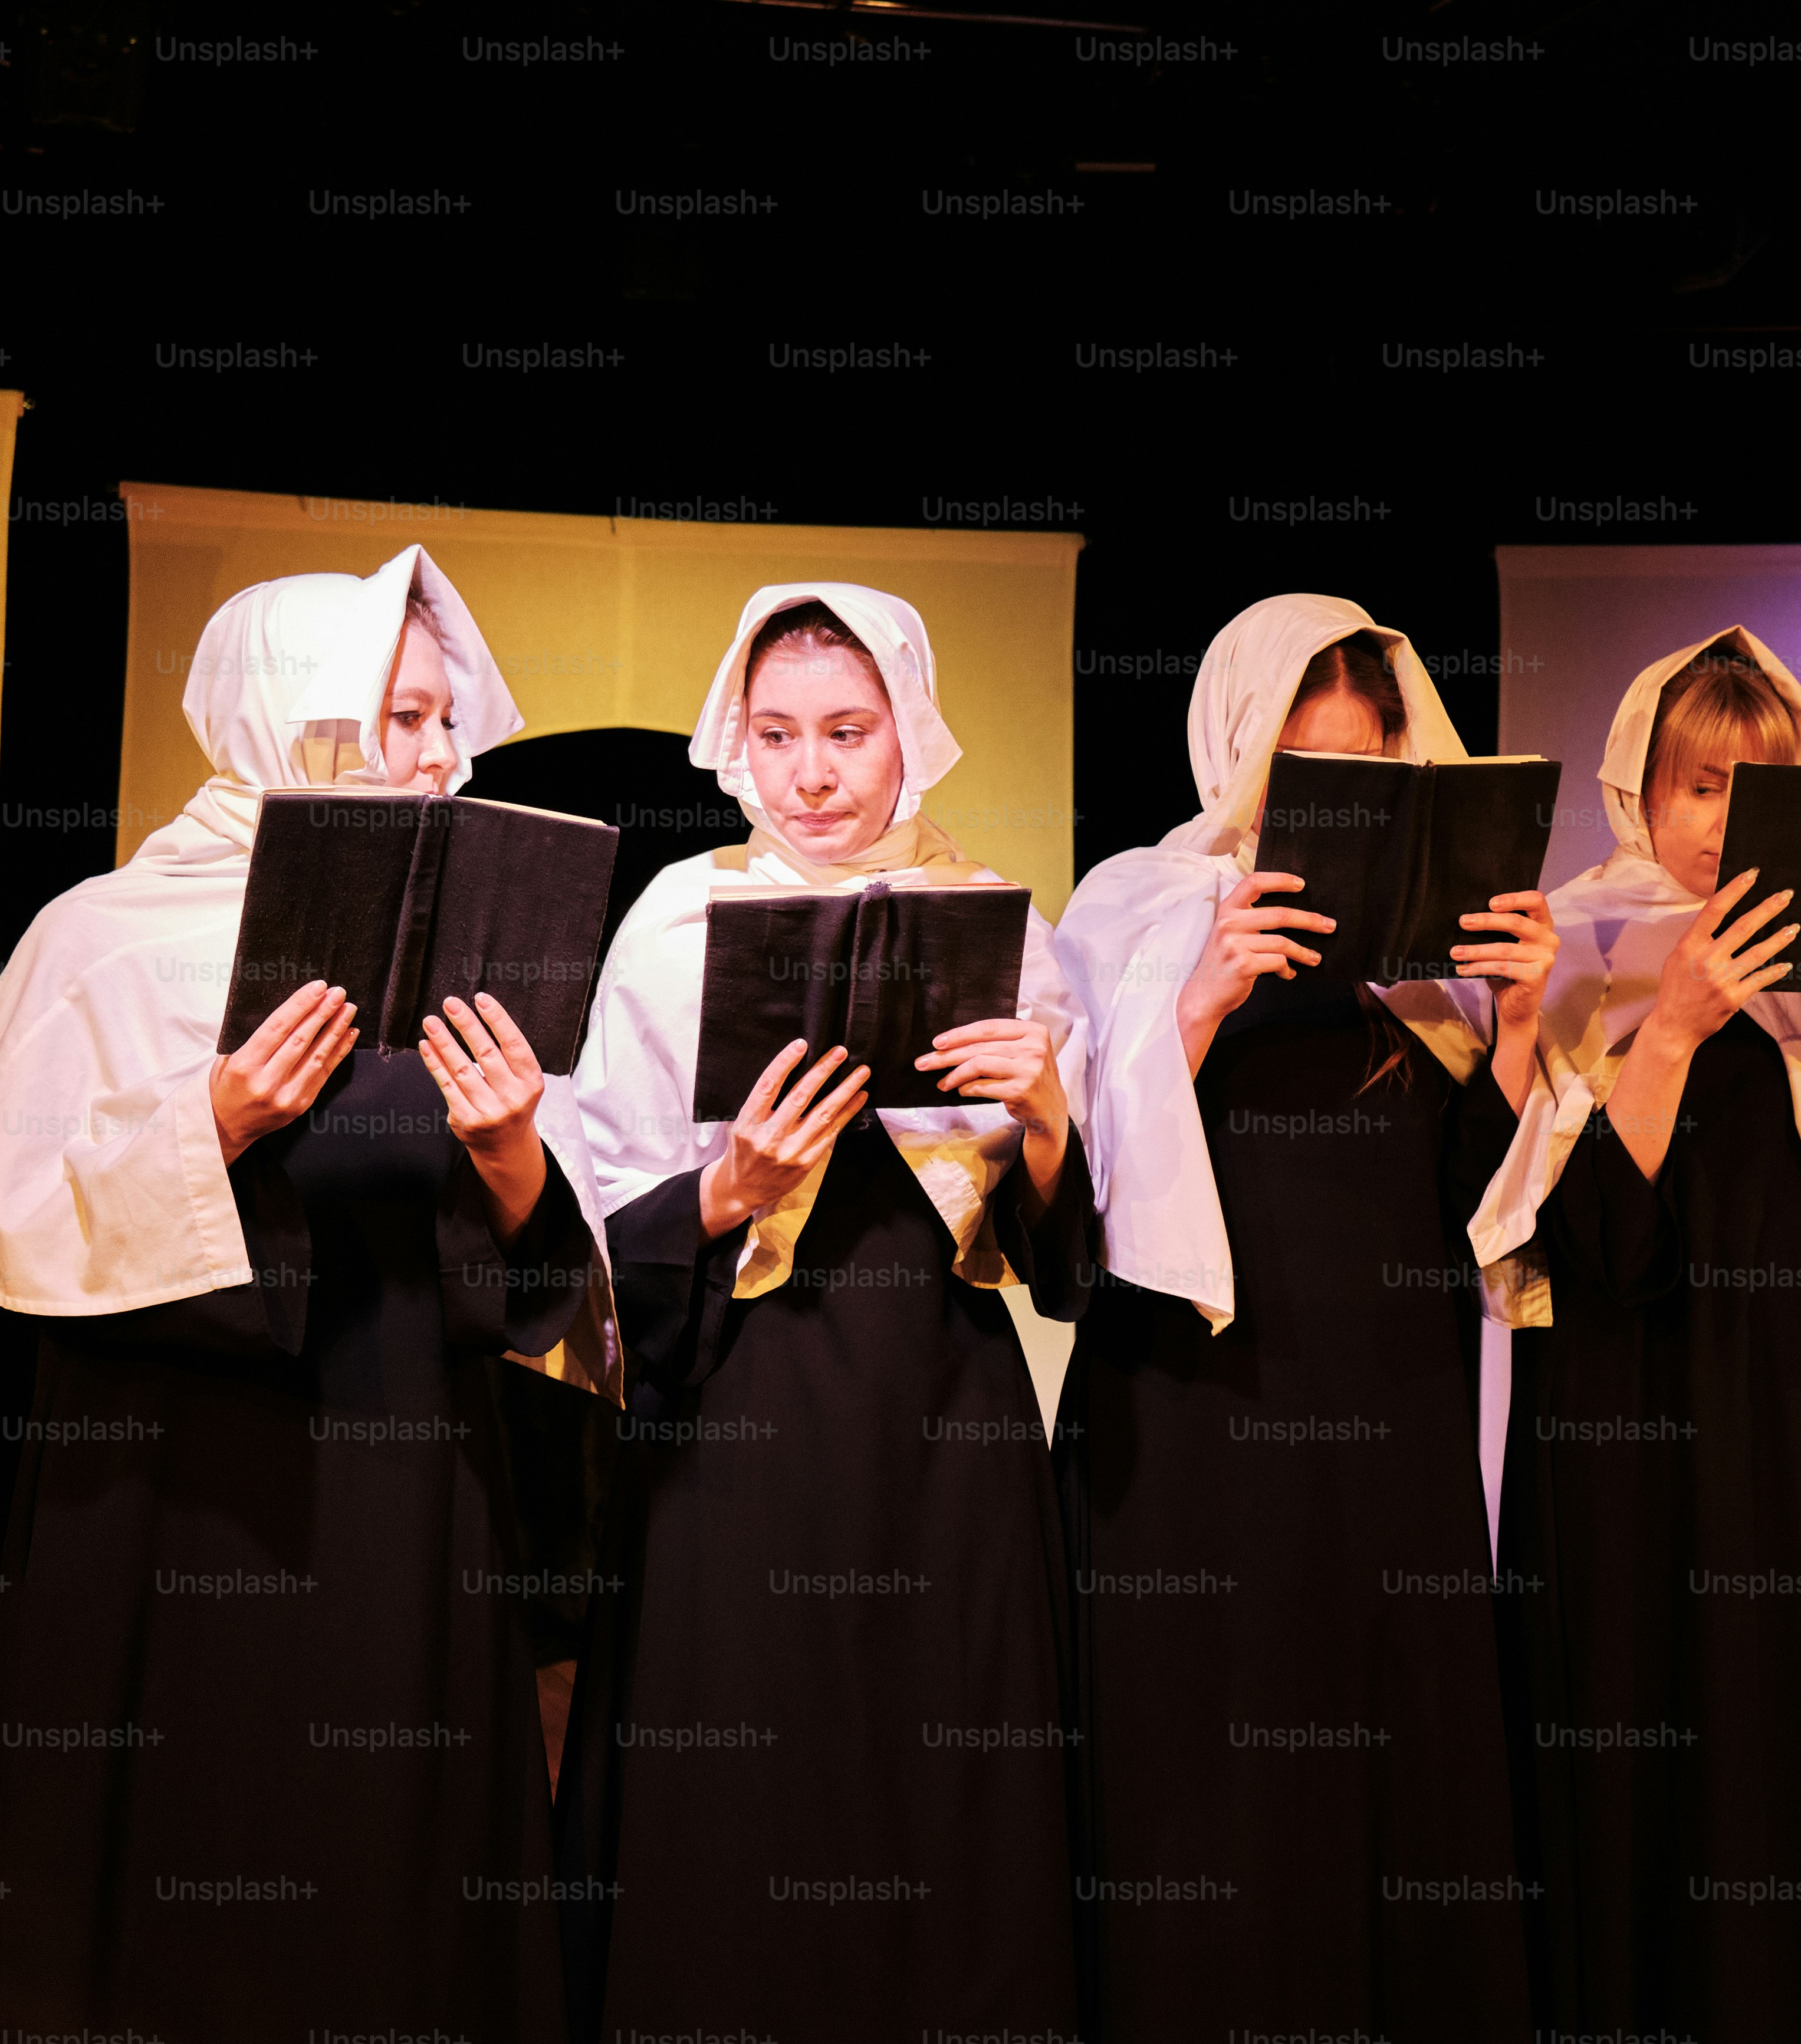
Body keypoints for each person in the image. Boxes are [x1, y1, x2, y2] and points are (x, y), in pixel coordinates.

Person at [0, 548, 602, 2044]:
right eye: (401, 717)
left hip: (408, 1486)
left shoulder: (458, 947)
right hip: (176, 1496)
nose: (440, 753)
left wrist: (509, 1152)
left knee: (393, 1862)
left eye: (443, 717)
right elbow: (26, 1220)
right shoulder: (106, 933)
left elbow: (533, 1269)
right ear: (290, 712)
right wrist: (213, 1121)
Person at [552, 585, 1093, 2043]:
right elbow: (597, 1224)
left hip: (945, 1420)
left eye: (848, 733)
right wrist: (729, 1187)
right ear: (737, 741)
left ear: (908, 731)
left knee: (943, 1770)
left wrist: (1046, 1113)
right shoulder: (675, 923)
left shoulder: (1001, 924)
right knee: (748, 1767)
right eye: (779, 734)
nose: (811, 774)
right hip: (742, 1409)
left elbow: (1067, 1257)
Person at [1051, 593, 1545, 2042]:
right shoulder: (1134, 903)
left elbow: (1488, 1209)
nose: (1337, 803)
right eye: (1301, 769)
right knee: (1211, 1777)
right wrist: (1195, 1006)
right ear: (1237, 755)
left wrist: (1514, 1023)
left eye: (1366, 772)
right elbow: (1066, 1194)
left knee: (1393, 1769)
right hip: (1192, 1419)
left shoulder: (1428, 957)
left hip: (1388, 1416)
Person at [1488, 628, 1801, 2035]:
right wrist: (1673, 1028)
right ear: (1637, 791)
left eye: (1757, 790)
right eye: (1698, 786)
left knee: (1787, 1730)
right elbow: (1584, 1243)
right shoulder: (1578, 943)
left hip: (1791, 1407)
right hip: (1630, 1412)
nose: (1721, 822)